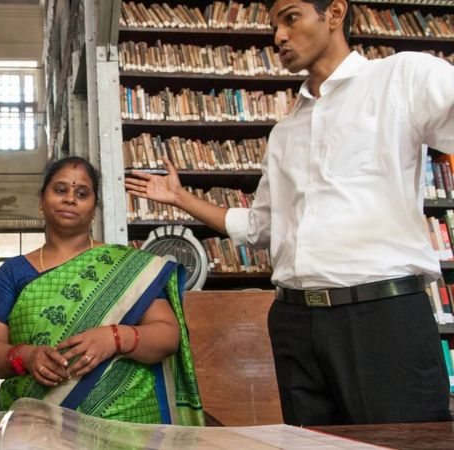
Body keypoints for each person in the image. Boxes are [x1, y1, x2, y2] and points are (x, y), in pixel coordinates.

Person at [126, 0, 454, 426]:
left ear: (334, 13)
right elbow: (259, 228)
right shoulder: (285, 133)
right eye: (274, 25)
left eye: (291, 17)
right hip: (295, 322)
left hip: (379, 318)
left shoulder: (400, 78)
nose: (278, 36)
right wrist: (181, 199)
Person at [0, 156, 204, 425]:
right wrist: (26, 356)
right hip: (38, 426)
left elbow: (167, 335)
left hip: (125, 422)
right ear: (41, 200)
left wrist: (115, 338)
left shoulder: (126, 266)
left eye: (82, 193)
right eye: (60, 190)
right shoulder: (13, 273)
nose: (70, 198)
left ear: (94, 208)